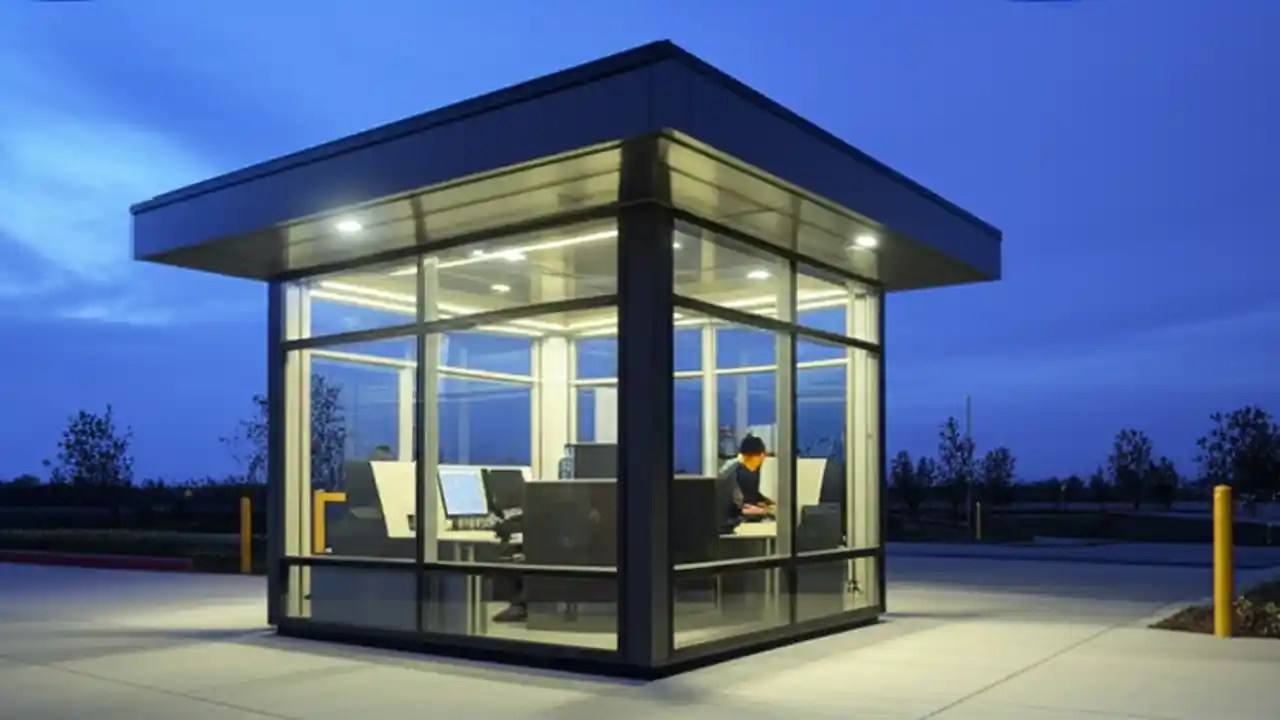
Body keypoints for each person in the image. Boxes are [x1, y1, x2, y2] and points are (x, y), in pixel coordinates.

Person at [717, 434, 776, 531]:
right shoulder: (742, 473)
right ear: (760, 455)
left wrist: (765, 504)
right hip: (731, 525)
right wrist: (764, 511)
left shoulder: (737, 469)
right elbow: (741, 508)